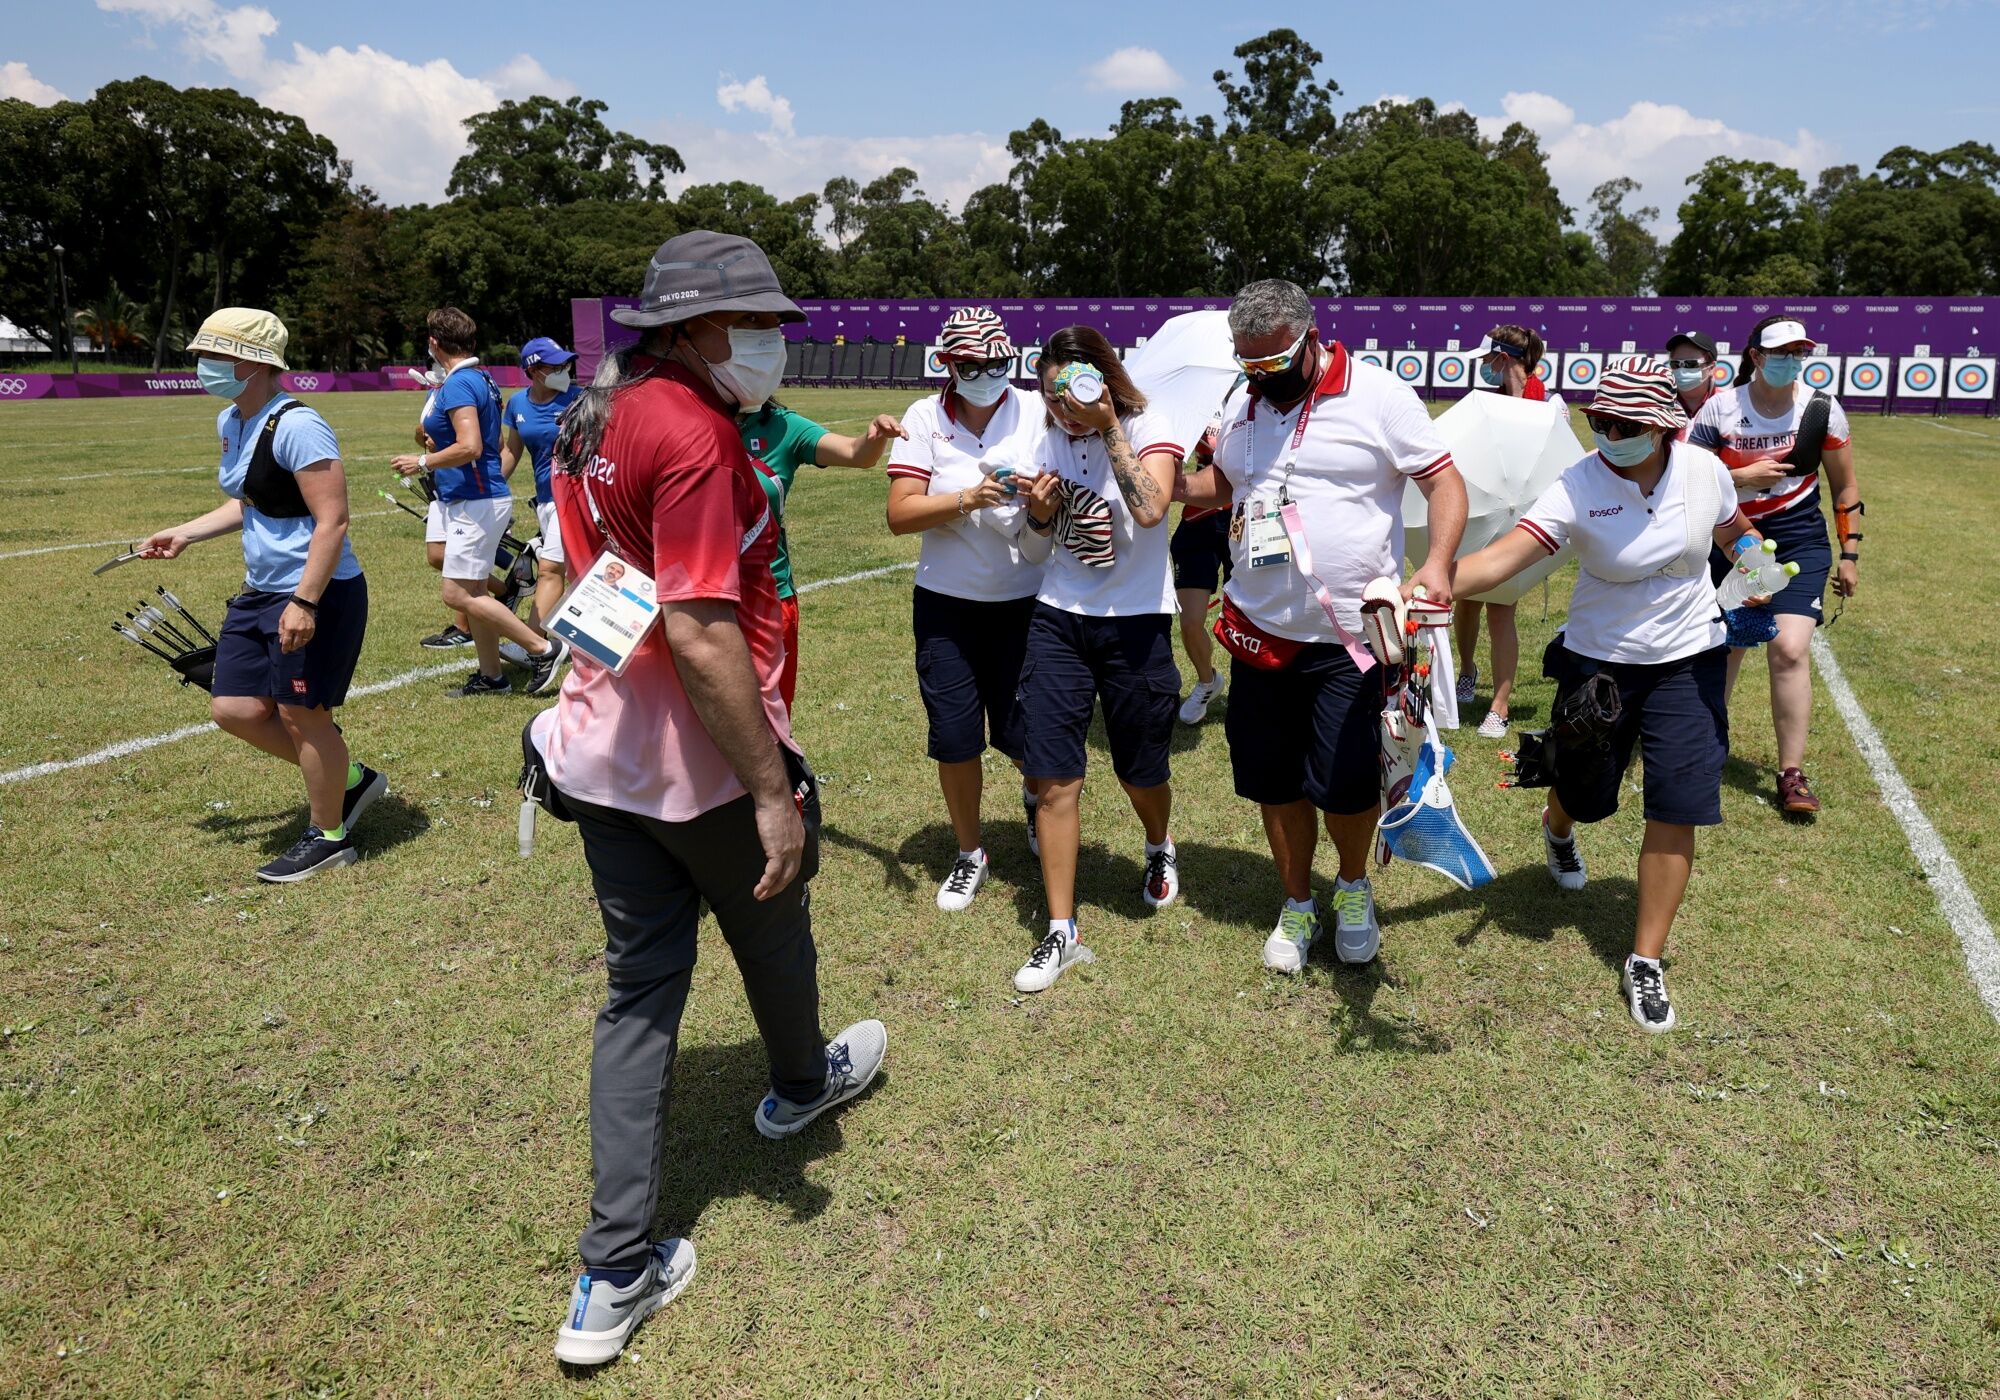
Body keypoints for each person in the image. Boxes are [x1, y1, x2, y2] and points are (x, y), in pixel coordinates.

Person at [527, 231, 885, 1368]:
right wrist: (769, 789)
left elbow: (588, 576)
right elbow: (695, 621)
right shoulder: (688, 430)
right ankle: (795, 1084)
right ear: (688, 330)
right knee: (774, 928)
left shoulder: (599, 410)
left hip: (600, 754)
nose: (774, 344)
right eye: (755, 324)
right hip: (698, 765)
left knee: (637, 997)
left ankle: (611, 1271)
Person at [1452, 364, 1764, 1032]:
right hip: (1601, 665)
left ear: (1664, 429)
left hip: (1691, 659)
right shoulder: (1578, 484)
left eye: (1625, 426)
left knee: (1680, 801)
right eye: (1600, 423)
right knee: (1589, 797)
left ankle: (1644, 962)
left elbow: (1735, 532)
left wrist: (1759, 570)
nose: (1609, 436)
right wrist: (1429, 583)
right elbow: (1501, 559)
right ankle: (1557, 825)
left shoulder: (1705, 471)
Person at [1177, 279, 1467, 975]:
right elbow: (1223, 486)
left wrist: (1438, 565)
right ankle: (1298, 901)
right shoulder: (1241, 403)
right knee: (1272, 783)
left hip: (1351, 639)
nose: (1261, 379)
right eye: (1248, 367)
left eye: (1274, 365)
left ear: (1309, 338)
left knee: (1343, 784)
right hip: (1257, 633)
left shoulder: (1378, 394)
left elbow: (1445, 481)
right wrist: (1158, 484)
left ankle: (1353, 887)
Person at [138, 308, 386, 883]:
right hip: (259, 591)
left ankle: (329, 837)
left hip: (313, 592)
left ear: (251, 363)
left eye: (213, 355)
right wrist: (186, 532)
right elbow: (252, 499)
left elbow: (333, 520)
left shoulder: (298, 425)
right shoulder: (232, 419)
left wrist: (303, 603)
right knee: (235, 709)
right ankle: (351, 780)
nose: (203, 366)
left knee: (303, 715)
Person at [1009, 325, 1187, 994]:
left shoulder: (1149, 422)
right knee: (1054, 776)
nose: (1062, 409)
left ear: (1104, 378)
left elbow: (1150, 512)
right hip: (1059, 617)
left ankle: (1157, 842)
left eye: (1074, 391)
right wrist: (1036, 514)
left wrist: (1110, 426)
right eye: (1050, 395)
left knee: (1141, 768)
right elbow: (1030, 555)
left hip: (1136, 622)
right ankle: (1061, 931)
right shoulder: (1043, 438)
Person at [885, 307, 1047, 913]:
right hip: (948, 606)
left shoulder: (1033, 408)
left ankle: (1036, 805)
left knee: (1028, 732)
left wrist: (1040, 496)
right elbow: (900, 514)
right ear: (949, 365)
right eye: (975, 366)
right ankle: (969, 851)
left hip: (1026, 602)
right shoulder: (926, 416)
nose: (989, 375)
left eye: (1000, 364)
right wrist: (965, 498)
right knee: (954, 736)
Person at [1688, 316, 1863, 816]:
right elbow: (1687, 477)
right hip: (1734, 538)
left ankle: (1791, 775)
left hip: (1798, 540)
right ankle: (1705, 748)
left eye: (1799, 352)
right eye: (1780, 352)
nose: (1791, 360)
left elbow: (1845, 489)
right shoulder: (1720, 409)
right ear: (1756, 357)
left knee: (1788, 649)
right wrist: (1743, 475)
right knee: (1727, 645)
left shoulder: (1823, 409)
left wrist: (1850, 555)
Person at [389, 307, 568, 696]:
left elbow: (470, 446)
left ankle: (541, 649)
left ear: (435, 343)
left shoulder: (459, 383)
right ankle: (492, 676)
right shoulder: (477, 378)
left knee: (457, 594)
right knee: (473, 593)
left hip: (476, 499)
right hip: (474, 497)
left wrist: (421, 461)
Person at [740, 397, 908, 709]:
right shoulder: (684, 418)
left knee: (765, 725)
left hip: (768, 599)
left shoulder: (782, 426)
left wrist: (874, 436)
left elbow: (857, 454)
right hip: (691, 597)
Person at [1456, 325, 1554, 740]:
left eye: (1487, 360)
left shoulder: (1550, 406)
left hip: (1519, 516)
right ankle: (1466, 671)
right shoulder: (1482, 404)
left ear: (1504, 357)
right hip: (1482, 508)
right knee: (1466, 602)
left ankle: (1499, 705)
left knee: (1501, 609)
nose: (1483, 367)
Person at [1167, 377, 1245, 725]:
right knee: (1190, 620)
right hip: (1199, 517)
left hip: (1246, 519)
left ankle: (1250, 693)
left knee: (1249, 617)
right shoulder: (1195, 396)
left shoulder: (1257, 396)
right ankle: (1207, 680)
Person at [500, 337, 582, 636]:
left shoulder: (581, 398)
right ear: (534, 370)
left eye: (566, 364)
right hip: (546, 500)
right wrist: (490, 491)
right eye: (556, 366)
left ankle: (536, 646)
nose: (565, 370)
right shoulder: (518, 403)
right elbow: (511, 451)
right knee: (575, 571)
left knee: (550, 569)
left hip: (576, 497)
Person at [1665, 329, 1719, 428]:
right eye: (1675, 364)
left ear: (1711, 367)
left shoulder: (1726, 404)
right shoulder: (1661, 402)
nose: (1681, 370)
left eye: (1691, 364)